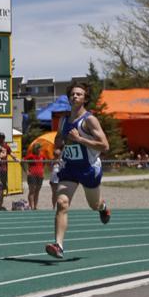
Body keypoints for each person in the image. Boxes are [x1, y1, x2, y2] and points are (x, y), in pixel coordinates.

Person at [46, 81, 111, 258]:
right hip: (69, 167)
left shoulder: (89, 120)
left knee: (94, 205)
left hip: (88, 168)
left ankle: (103, 207)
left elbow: (105, 146)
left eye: (79, 94)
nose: (74, 96)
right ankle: (58, 245)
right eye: (72, 94)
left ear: (85, 99)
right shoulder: (63, 120)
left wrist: (80, 139)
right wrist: (60, 142)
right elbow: (58, 140)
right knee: (62, 203)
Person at [25, 139, 48, 211]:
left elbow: (44, 162)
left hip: (40, 175)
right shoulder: (31, 156)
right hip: (32, 175)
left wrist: (42, 169)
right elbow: (22, 161)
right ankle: (31, 206)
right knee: (32, 191)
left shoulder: (42, 156)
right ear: (35, 149)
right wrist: (26, 171)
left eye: (40, 148)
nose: (39, 149)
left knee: (37, 191)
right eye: (38, 148)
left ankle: (35, 206)